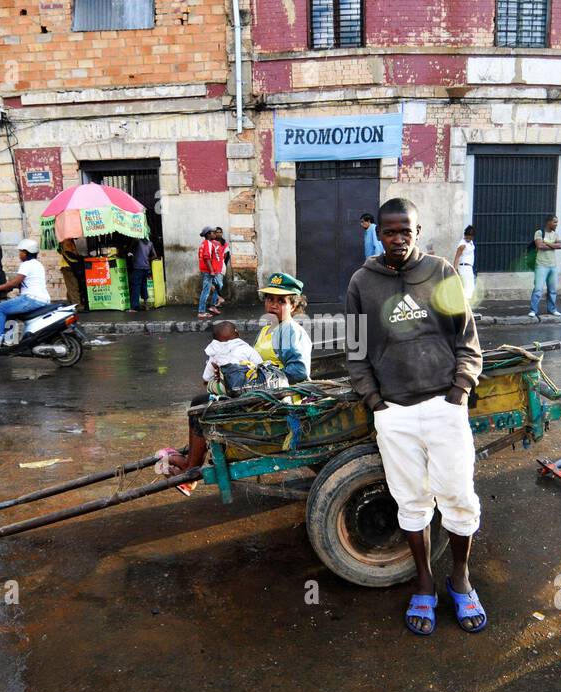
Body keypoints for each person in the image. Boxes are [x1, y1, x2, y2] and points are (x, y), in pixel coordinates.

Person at [346, 198, 485, 636]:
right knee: (411, 502)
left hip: (445, 407)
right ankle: (424, 582)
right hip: (394, 414)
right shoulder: (361, 282)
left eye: (406, 230)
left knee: (459, 497)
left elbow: (466, 337)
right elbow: (355, 350)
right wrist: (374, 401)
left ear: (417, 231)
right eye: (390, 231)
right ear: (379, 234)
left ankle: (460, 579)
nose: (398, 238)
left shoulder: (441, 271)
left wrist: (459, 389)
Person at [164, 272, 312, 495]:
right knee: (204, 401)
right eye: (270, 299)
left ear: (293, 305)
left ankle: (190, 472)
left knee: (202, 407)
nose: (273, 305)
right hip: (261, 394)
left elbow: (299, 372)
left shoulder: (290, 331)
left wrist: (258, 379)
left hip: (279, 400)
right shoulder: (268, 329)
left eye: (281, 301)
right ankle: (190, 465)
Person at [0, 238, 51, 349]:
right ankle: (9, 340)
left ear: (26, 253)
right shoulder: (37, 264)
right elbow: (23, 283)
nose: (19, 254)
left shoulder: (27, 265)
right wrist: (7, 288)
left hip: (31, 299)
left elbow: (14, 282)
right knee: (10, 312)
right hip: (41, 299)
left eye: (20, 252)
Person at [529, 215, 561, 320]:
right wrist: (554, 245)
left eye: (557, 222)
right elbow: (540, 246)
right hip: (541, 265)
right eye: (555, 222)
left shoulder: (555, 234)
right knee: (538, 289)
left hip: (553, 266)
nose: (556, 224)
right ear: (548, 222)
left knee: (552, 290)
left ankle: (552, 309)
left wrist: (547, 243)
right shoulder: (539, 232)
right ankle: (533, 310)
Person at [197, 227, 224, 320]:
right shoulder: (207, 243)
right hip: (208, 271)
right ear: (208, 234)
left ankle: (212, 306)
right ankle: (201, 312)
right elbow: (206, 257)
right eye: (213, 233)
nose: (215, 234)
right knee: (206, 291)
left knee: (218, 285)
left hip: (209, 271)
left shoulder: (205, 244)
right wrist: (212, 270)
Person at [58, 237, 87, 310]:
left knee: (71, 286)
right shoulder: (66, 241)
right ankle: (77, 305)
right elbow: (69, 254)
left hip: (69, 266)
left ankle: (71, 303)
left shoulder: (69, 241)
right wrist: (81, 258)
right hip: (67, 266)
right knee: (73, 286)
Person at [128, 237, 157, 312]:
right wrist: (147, 259)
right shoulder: (150, 243)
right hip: (146, 268)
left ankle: (135, 307)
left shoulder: (136, 240)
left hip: (137, 267)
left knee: (136, 286)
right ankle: (146, 304)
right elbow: (155, 256)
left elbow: (129, 251)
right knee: (144, 285)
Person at [453, 225, 476, 302]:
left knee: (471, 288)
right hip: (464, 267)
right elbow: (457, 257)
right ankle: (465, 309)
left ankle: (467, 309)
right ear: (465, 235)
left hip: (469, 268)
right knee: (467, 289)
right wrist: (455, 270)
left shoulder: (470, 243)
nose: (469, 239)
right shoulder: (462, 244)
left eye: (470, 237)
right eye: (467, 237)